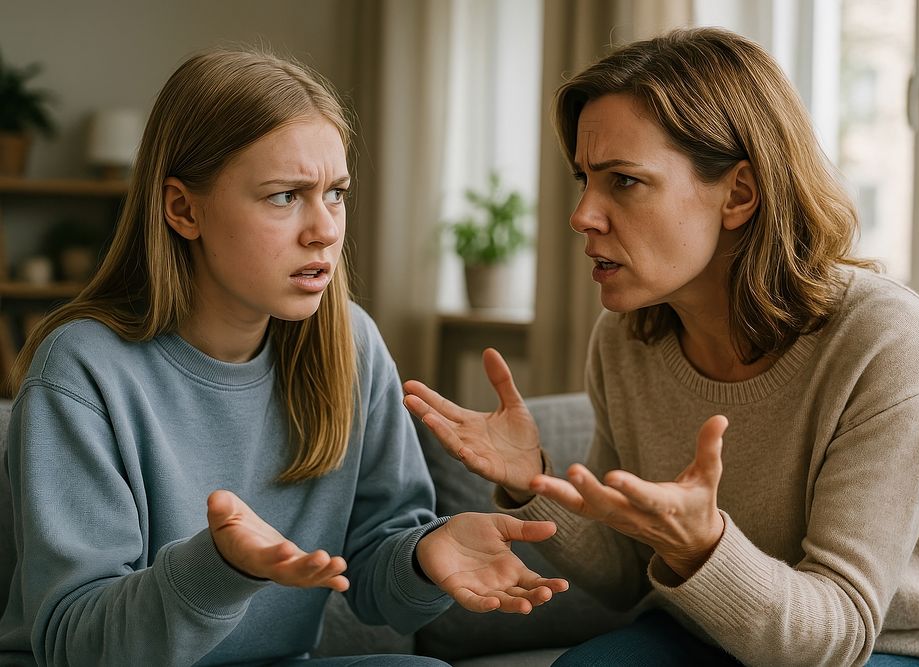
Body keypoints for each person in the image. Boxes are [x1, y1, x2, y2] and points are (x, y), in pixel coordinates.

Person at [403, 26, 919, 667]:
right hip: (718, 637)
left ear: (738, 194)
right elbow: (627, 575)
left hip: (896, 648)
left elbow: (840, 631)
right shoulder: (627, 338)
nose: (581, 214)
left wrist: (701, 549)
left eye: (623, 181)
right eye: (584, 179)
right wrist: (536, 481)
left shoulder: (883, 337)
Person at [0, 48, 569, 667]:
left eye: (336, 193)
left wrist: (423, 557)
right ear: (183, 209)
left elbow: (383, 584)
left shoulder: (349, 342)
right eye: (284, 196)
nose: (324, 229)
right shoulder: (83, 370)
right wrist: (216, 568)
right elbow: (77, 646)